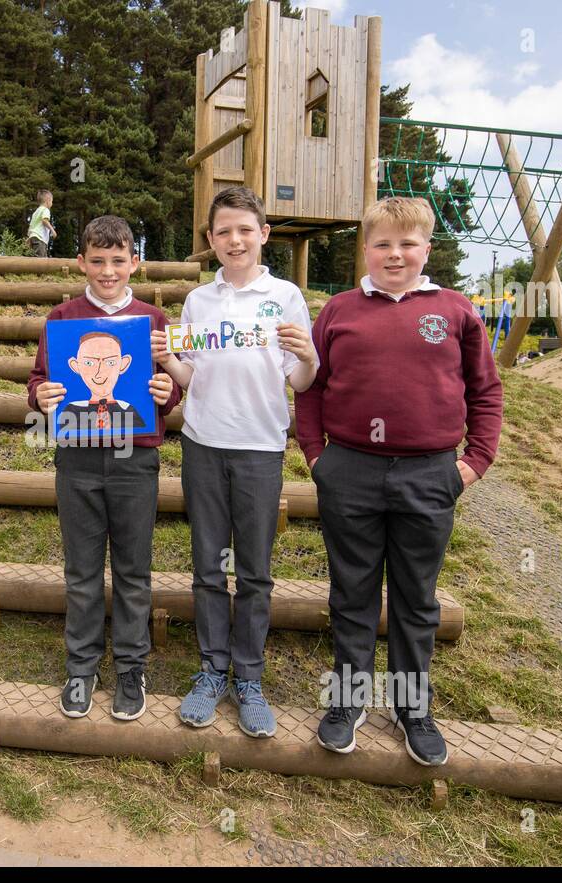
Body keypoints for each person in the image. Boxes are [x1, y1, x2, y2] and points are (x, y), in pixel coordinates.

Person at [297, 196, 503, 767]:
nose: (395, 254)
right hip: (351, 472)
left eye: (408, 244)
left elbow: (485, 390)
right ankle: (350, 701)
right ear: (365, 249)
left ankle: (413, 707)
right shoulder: (338, 310)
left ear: (426, 249)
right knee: (353, 592)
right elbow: (311, 387)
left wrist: (473, 462)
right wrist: (318, 457)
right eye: (383, 244)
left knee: (416, 598)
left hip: (430, 474)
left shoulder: (456, 309)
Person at [152, 185, 318, 738]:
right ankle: (211, 669)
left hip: (261, 449)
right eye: (223, 231)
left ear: (264, 235)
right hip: (202, 444)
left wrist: (310, 357)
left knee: (254, 571)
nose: (235, 239)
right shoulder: (199, 301)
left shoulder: (288, 296)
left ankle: (249, 677)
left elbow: (301, 381)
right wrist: (169, 360)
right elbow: (192, 377)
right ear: (210, 240)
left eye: (245, 229)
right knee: (206, 567)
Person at [26, 215, 180, 720]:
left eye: (119, 261)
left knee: (134, 570)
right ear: (81, 262)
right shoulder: (62, 317)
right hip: (78, 460)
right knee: (82, 569)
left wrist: (168, 392)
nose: (108, 271)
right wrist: (42, 397)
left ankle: (131, 668)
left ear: (135, 262)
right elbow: (39, 380)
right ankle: (82, 666)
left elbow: (169, 386)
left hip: (135, 459)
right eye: (98, 261)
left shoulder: (154, 320)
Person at [27, 189, 56, 257]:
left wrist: (28, 238)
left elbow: (31, 226)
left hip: (33, 237)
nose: (52, 203)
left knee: (37, 258)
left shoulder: (36, 212)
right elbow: (45, 221)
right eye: (52, 201)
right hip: (40, 237)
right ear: (48, 201)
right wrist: (52, 230)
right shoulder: (45, 210)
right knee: (41, 260)